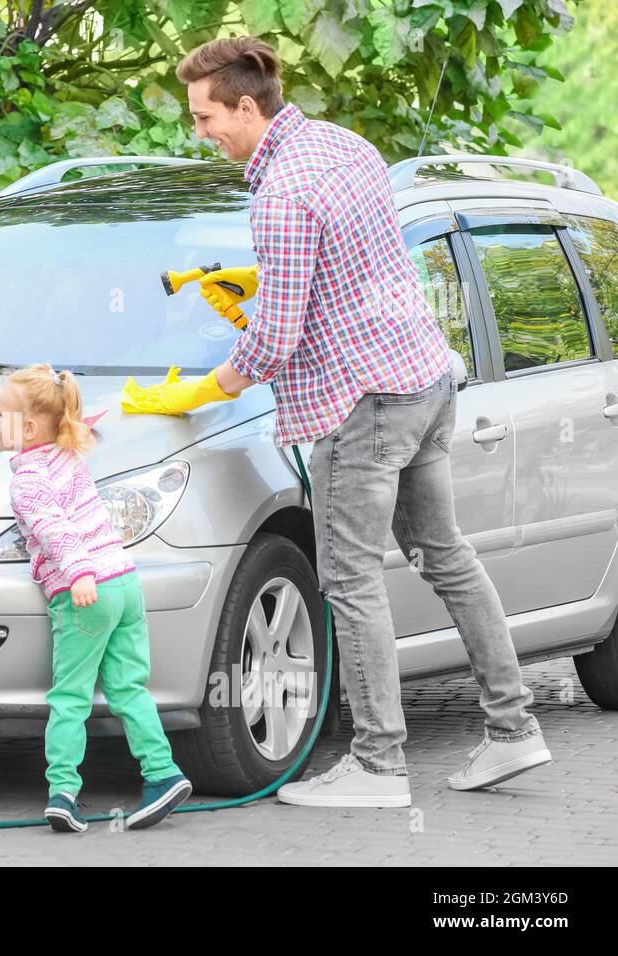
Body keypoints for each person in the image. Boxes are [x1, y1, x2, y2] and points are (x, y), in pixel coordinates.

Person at [122, 37, 550, 807]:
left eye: (204, 116)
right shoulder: (344, 147)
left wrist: (198, 392)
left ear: (246, 107)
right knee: (445, 554)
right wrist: (258, 280)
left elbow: (275, 342)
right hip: (422, 379)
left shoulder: (281, 194)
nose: (200, 132)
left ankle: (379, 767)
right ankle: (514, 731)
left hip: (363, 406)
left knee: (350, 580)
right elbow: (357, 260)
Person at [0, 364, 192, 831]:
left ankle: (63, 791)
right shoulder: (68, 456)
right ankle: (162, 773)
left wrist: (78, 574)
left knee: (69, 697)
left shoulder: (27, 480)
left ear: (28, 428)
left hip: (86, 592)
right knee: (128, 688)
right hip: (123, 582)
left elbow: (54, 530)